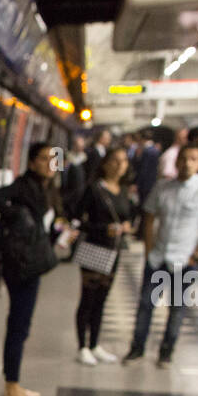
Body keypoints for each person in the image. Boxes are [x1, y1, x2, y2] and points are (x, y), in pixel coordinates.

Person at [0, 141, 72, 396]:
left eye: (53, 159)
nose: (49, 164)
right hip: (20, 266)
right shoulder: (24, 186)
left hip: (32, 263)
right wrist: (16, 215)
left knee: (22, 326)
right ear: (32, 161)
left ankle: (15, 384)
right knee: (18, 326)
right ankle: (11, 388)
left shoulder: (47, 189)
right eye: (44, 159)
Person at [123, 144, 198, 366]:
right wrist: (149, 249)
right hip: (159, 257)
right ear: (176, 162)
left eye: (193, 159)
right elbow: (149, 217)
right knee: (146, 305)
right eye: (184, 158)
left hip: (186, 260)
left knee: (177, 308)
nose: (187, 163)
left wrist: (197, 254)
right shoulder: (162, 187)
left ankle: (166, 352)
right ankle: (136, 348)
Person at [73, 150, 135, 365]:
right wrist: (102, 228)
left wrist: (126, 227)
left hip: (114, 251)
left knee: (102, 299)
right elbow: (77, 219)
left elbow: (128, 215)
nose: (120, 166)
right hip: (95, 248)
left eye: (124, 161)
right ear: (105, 164)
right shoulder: (94, 189)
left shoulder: (124, 191)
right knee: (88, 299)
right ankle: (82, 346)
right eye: (115, 161)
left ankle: (95, 344)